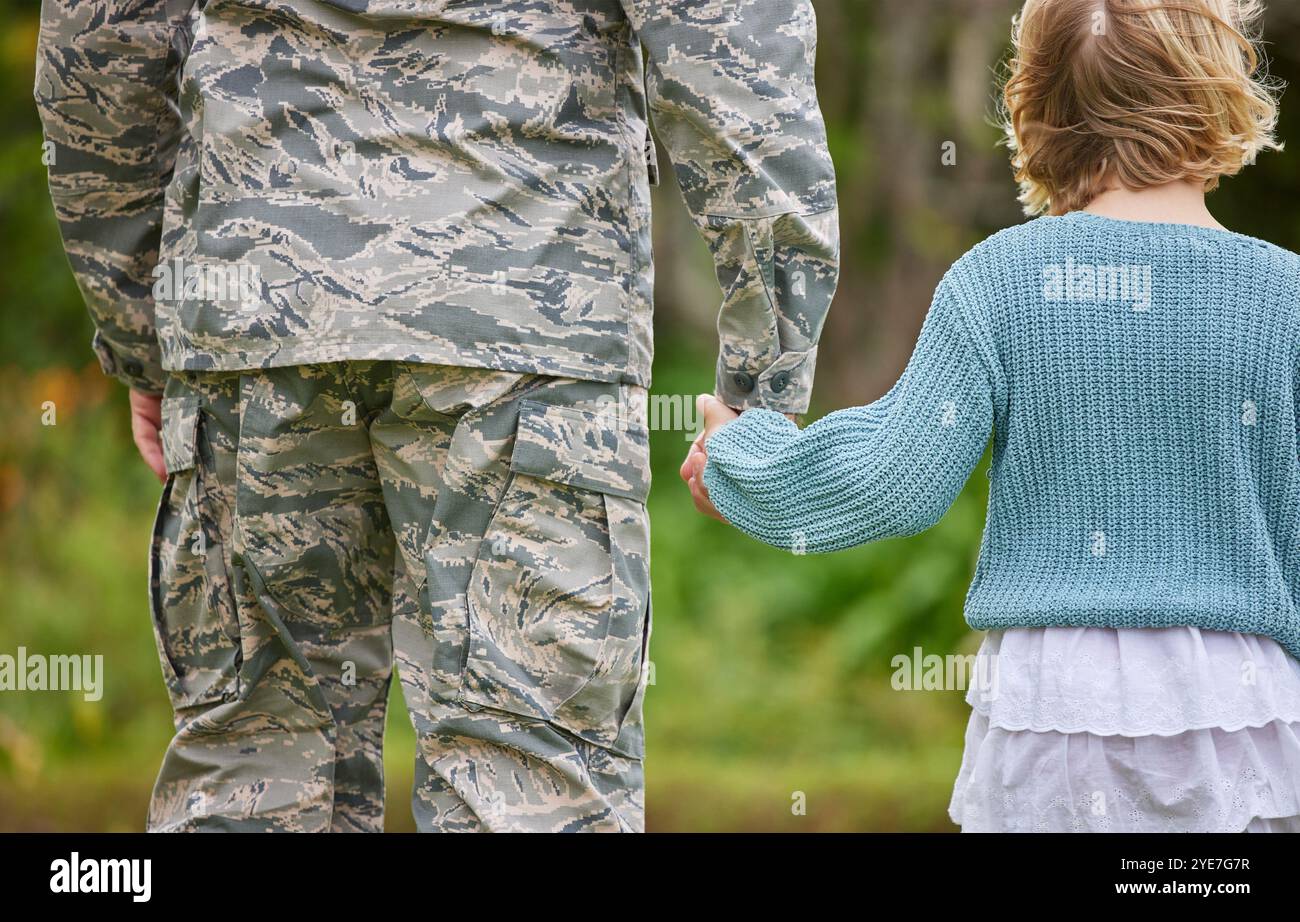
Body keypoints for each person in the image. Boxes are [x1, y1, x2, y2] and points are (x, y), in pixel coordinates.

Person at [34, 0, 840, 832]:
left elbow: (98, 37)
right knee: (525, 773)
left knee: (257, 772)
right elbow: (733, 40)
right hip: (525, 302)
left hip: (257, 299)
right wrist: (762, 384)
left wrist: (146, 328)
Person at [685, 0, 1300, 832]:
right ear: (1217, 83)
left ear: (1037, 101)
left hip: (1054, 710)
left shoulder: (1000, 281)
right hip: (1245, 714)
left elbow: (893, 477)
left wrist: (744, 455)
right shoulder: (1285, 296)